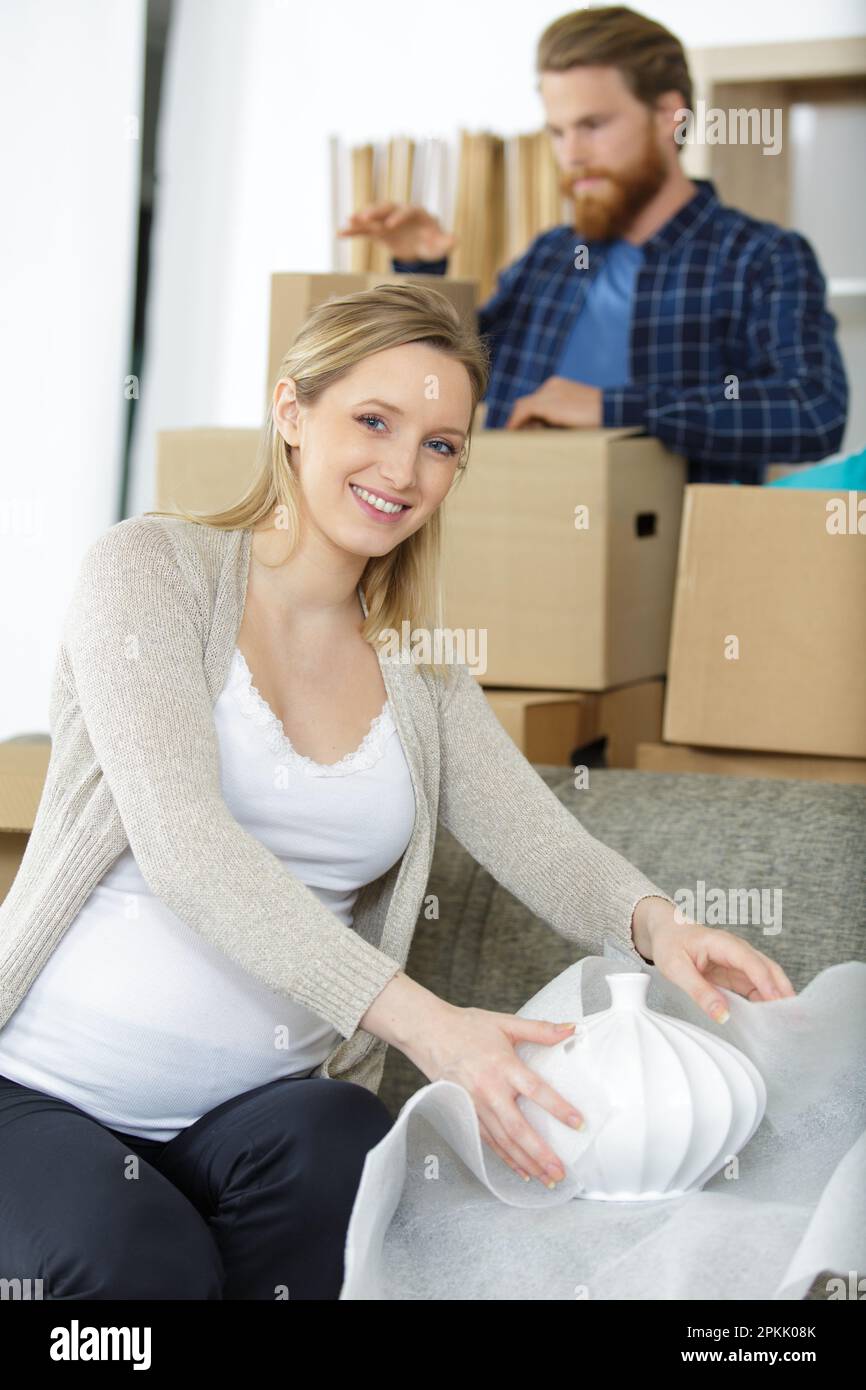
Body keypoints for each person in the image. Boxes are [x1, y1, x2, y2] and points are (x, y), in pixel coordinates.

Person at [0, 284, 794, 1301]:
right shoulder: (149, 569)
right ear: (291, 413)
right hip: (44, 1092)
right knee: (135, 1262)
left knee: (345, 1141)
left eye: (440, 444)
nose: (402, 469)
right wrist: (426, 1022)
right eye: (372, 421)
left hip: (251, 1112)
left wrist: (660, 926)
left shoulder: (420, 673)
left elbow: (542, 843)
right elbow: (183, 843)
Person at [339, 5, 848, 486]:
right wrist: (423, 266)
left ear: (669, 115)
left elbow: (814, 410)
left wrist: (611, 408)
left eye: (593, 125)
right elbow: (449, 373)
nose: (572, 154)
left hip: (673, 566)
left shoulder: (760, 257)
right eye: (558, 132)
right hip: (512, 542)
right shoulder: (551, 257)